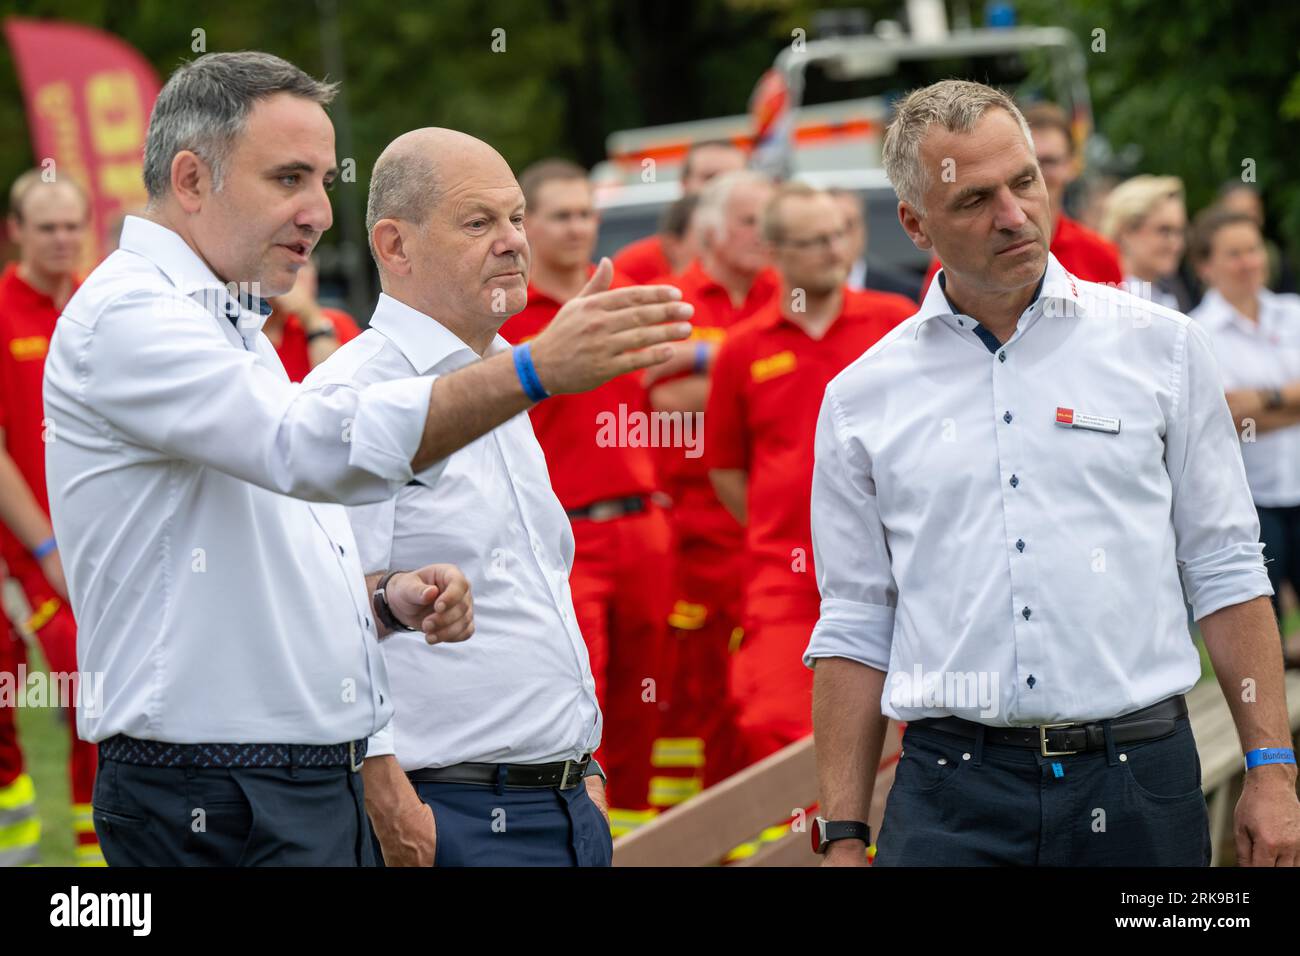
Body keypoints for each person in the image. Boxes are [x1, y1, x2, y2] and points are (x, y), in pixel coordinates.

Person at [42, 52, 690, 867]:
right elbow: (307, 449)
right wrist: (532, 371)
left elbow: (273, 564)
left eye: (321, 180)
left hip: (278, 778)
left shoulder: (221, 318)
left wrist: (388, 602)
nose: (318, 211)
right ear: (192, 178)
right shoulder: (134, 312)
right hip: (211, 782)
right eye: (289, 179)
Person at [809, 79, 1300, 867]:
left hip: (1140, 779)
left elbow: (1225, 566)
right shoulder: (861, 398)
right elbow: (857, 620)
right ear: (914, 222)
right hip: (949, 795)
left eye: (1025, 181)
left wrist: (1272, 769)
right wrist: (841, 832)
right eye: (973, 200)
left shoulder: (1162, 350)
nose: (1013, 215)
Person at [308, 133, 628, 866]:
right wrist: (391, 802)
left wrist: (583, 766)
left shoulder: (500, 379)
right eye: (480, 223)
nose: (516, 241)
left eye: (517, 218)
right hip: (451, 812)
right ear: (395, 244)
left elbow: (535, 589)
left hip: (562, 802)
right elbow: (317, 621)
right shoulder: (350, 395)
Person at [706, 183, 914, 765]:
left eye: (839, 235)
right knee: (773, 721)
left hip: (899, 565)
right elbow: (726, 468)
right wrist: (798, 529)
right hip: (785, 578)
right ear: (775, 250)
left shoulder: (897, 325)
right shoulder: (742, 349)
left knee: (903, 728)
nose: (834, 249)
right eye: (815, 240)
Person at [499, 159, 673, 835]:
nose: (578, 228)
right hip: (567, 535)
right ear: (530, 225)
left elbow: (679, 385)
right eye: (561, 215)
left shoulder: (627, 293)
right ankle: (584, 837)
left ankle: (636, 838)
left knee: (646, 698)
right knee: (580, 695)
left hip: (643, 527)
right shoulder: (511, 315)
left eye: (586, 213)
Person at [643, 169, 779, 806]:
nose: (763, 235)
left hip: (776, 535)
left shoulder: (791, 293)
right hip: (695, 540)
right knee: (696, 699)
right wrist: (755, 370)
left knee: (767, 694)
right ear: (715, 229)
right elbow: (663, 392)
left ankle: (767, 835)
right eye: (751, 221)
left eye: (771, 221)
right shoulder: (672, 297)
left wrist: (706, 361)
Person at [0, 170, 101, 865]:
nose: (63, 240)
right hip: (24, 554)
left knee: (97, 702)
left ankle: (99, 859)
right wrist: (44, 551)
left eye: (72, 226)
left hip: (93, 547)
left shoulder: (99, 306)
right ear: (15, 232)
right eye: (47, 228)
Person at [1189, 208, 1300, 661]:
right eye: (1233, 254)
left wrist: (1263, 400)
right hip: (1251, 499)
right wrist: (1291, 400)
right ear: (1205, 266)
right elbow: (1226, 412)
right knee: (1262, 623)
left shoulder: (1292, 312)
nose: (1248, 262)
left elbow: (1245, 407)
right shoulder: (1198, 331)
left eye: (1253, 249)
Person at [918, 102, 1123, 295]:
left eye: (1049, 161)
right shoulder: (959, 263)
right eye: (1030, 161)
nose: (1039, 172)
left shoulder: (1099, 254)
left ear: (1072, 165)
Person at [612, 140, 746, 283]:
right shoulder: (634, 265)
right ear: (684, 183)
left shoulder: (760, 255)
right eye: (710, 177)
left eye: (733, 179)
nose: (721, 188)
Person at [1100, 175, 1194, 312]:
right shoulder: (1107, 300)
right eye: (1164, 231)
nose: (1176, 244)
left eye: (1180, 232)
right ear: (1127, 232)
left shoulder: (1170, 296)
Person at [264, 257, 360, 382]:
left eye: (304, 265)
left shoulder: (337, 322)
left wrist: (312, 318)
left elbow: (338, 387)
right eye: (289, 266)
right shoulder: (246, 326)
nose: (297, 278)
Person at [828, 187, 922, 300]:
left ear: (863, 227)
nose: (837, 237)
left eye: (848, 224)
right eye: (826, 227)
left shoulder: (906, 293)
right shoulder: (803, 295)